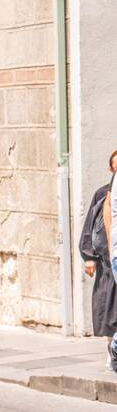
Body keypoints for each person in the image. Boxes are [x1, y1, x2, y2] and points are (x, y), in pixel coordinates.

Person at [81, 151, 117, 370]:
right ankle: (112, 349)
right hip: (108, 263)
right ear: (111, 169)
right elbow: (90, 227)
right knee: (108, 309)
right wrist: (89, 257)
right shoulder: (102, 194)